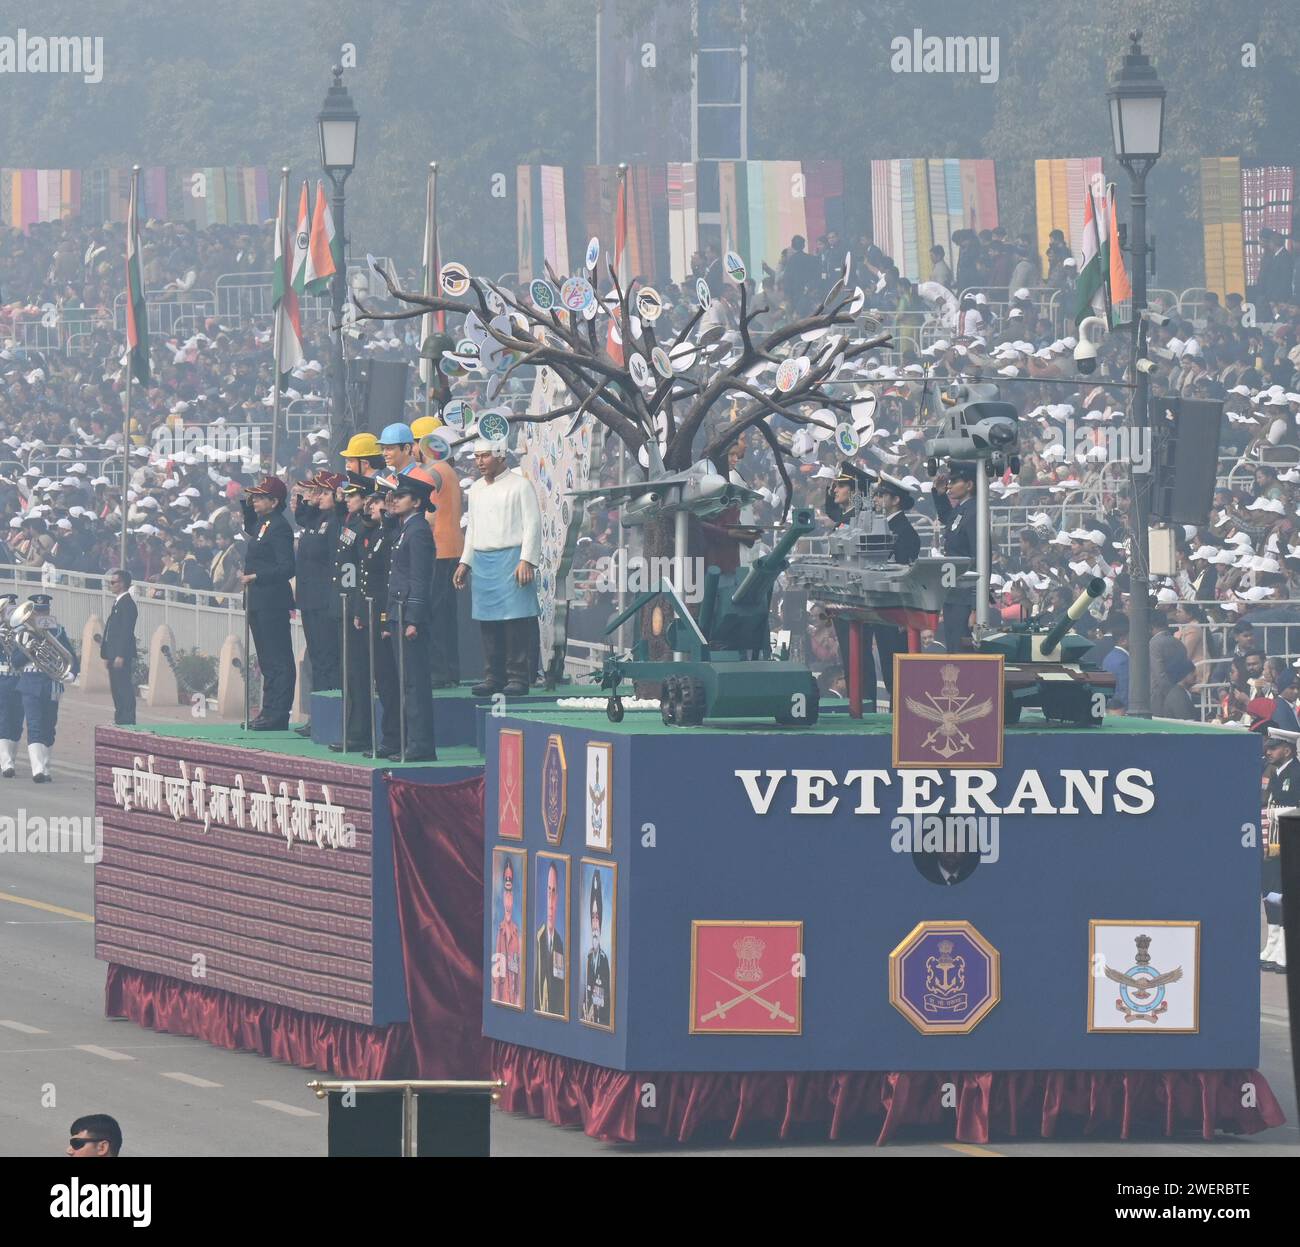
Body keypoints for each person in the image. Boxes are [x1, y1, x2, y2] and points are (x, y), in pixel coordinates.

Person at [454, 439, 542, 698]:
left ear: (501, 456)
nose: (479, 462)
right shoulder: (477, 489)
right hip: (483, 559)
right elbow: (473, 529)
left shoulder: (520, 485)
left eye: (485, 456)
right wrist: (465, 561)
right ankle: (493, 675)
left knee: (515, 621)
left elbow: (533, 525)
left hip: (512, 557)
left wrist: (526, 559)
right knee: (488, 622)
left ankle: (518, 676)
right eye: (477, 457)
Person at [380, 472, 437, 760]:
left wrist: (413, 618)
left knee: (415, 684)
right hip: (398, 612)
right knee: (405, 682)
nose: (394, 501)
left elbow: (419, 578)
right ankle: (410, 741)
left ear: (416, 502)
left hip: (409, 614)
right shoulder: (405, 528)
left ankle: (421, 745)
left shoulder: (419, 531)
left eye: (401, 497)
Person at [411, 417, 464, 687]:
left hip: (438, 550)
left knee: (434, 614)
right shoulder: (449, 470)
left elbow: (427, 517)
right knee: (446, 615)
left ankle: (438, 673)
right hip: (452, 549)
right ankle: (449, 672)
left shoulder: (431, 473)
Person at [240, 476, 297, 730]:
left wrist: (257, 576)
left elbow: (287, 567)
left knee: (278, 658)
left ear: (274, 502)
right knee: (266, 659)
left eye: (261, 497)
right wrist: (246, 503)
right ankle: (268, 709)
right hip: (257, 600)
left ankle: (278, 712)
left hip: (271, 599)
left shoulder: (279, 527)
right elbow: (250, 525)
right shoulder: (263, 524)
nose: (255, 501)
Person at [291, 470, 344, 737]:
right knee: (316, 659)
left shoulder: (335, 521)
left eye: (324, 492)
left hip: (325, 599)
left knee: (327, 659)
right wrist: (307, 500)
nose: (318, 496)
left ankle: (330, 715)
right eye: (317, 492)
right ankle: (318, 714)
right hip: (309, 599)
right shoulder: (316, 518)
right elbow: (300, 515)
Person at [16, 593, 79, 783]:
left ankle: (45, 765)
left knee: (49, 726)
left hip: (51, 683)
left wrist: (72, 673)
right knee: (34, 724)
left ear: (49, 611)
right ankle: (38, 770)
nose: (40, 614)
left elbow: (72, 656)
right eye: (37, 611)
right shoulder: (23, 633)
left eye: (44, 611)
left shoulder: (58, 631)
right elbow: (15, 660)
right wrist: (30, 649)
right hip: (30, 682)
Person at [931, 462, 979, 653]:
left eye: (955, 481)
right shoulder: (962, 509)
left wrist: (976, 607)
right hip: (954, 594)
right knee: (952, 648)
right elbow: (948, 519)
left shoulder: (975, 512)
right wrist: (940, 494)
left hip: (966, 597)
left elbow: (979, 560)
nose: (950, 485)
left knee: (961, 652)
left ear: (969, 485)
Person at [101, 568, 138, 726]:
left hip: (120, 655)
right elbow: (111, 630)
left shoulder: (127, 604)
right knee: (116, 689)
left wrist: (120, 655)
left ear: (122, 584)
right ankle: (120, 718)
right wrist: (106, 653)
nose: (111, 585)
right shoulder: (118, 603)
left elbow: (125, 632)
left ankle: (127, 719)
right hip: (113, 653)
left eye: (113, 582)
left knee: (123, 688)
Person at [535, 859, 565, 1015]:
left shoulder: (560, 945)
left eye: (554, 892)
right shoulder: (536, 940)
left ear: (558, 898)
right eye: (548, 892)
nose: (551, 902)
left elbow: (560, 993)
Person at [582, 871, 611, 1026]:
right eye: (592, 917)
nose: (594, 924)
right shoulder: (588, 958)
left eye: (597, 917)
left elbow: (606, 1002)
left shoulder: (604, 961)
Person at [492, 854, 522, 1006]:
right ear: (503, 896)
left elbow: (517, 973)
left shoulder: (517, 935)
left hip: (515, 999)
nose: (509, 900)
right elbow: (496, 976)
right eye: (506, 880)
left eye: (511, 880)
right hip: (503, 998)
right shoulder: (500, 932)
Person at [0, 593, 21, 777]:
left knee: (17, 722)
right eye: (9, 608)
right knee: (4, 719)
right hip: (3, 677)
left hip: (20, 680)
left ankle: (11, 760)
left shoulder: (22, 631)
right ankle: (6, 763)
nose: (12, 611)